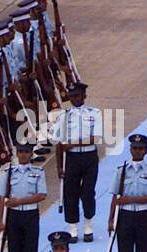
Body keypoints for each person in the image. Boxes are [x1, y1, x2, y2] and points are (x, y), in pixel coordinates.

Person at [0, 137, 46, 252]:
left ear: (31, 153)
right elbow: (3, 198)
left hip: (31, 214)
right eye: (20, 152)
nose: (23, 155)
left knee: (31, 250)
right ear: (16, 154)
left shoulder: (38, 172)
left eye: (26, 152)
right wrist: (0, 222)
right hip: (13, 216)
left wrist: (19, 201)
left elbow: (41, 195)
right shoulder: (9, 173)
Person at [52, 80, 101, 242]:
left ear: (84, 96)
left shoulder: (94, 113)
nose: (75, 99)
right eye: (72, 96)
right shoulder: (64, 116)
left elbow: (97, 138)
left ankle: (88, 225)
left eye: (78, 95)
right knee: (70, 193)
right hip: (71, 159)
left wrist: (74, 143)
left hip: (89, 157)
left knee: (88, 193)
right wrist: (59, 166)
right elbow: (59, 144)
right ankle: (72, 227)